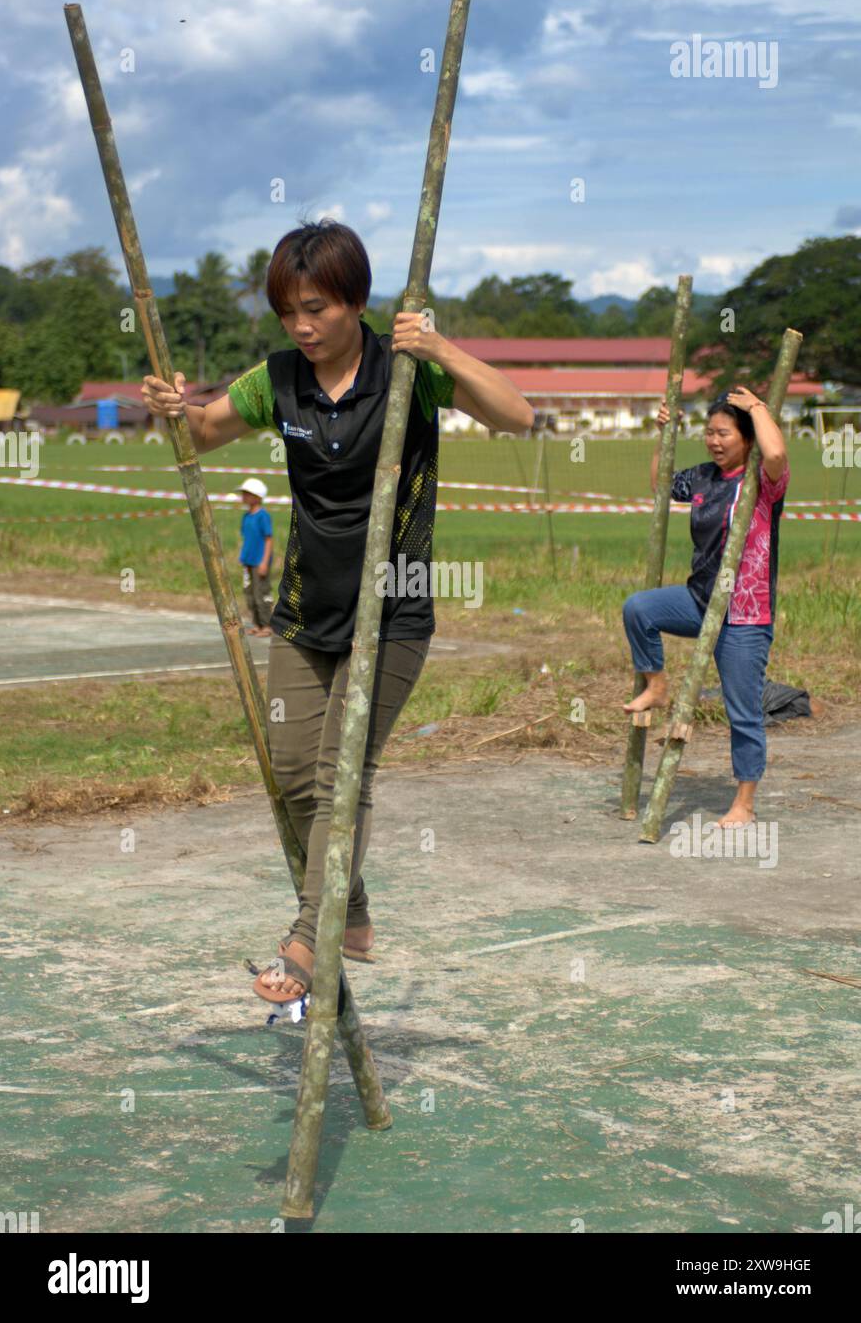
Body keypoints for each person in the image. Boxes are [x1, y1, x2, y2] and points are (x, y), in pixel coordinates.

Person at [142, 218, 534, 1004]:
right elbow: (204, 431)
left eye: (316, 308)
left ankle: (310, 937)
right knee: (289, 774)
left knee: (339, 775)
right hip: (301, 609)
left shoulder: (405, 372)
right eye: (288, 311)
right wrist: (170, 406)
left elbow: (516, 417)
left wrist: (441, 348)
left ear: (355, 300)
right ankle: (351, 914)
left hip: (390, 615)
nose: (302, 326)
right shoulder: (277, 377)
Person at [621, 387, 789, 828]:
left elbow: (776, 452)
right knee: (639, 608)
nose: (714, 441)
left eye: (724, 434)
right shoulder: (702, 477)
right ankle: (656, 685)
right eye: (709, 433)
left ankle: (744, 803)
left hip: (744, 612)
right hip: (699, 599)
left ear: (746, 438)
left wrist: (756, 408)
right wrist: (665, 434)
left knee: (743, 710)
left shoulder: (762, 481)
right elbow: (661, 485)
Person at [237, 477, 274, 636]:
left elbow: (268, 539)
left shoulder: (263, 516)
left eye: (246, 494)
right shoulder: (246, 516)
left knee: (261, 594)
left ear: (257, 496)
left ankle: (267, 625)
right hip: (248, 561)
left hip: (260, 562)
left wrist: (264, 562)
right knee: (250, 594)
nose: (243, 497)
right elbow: (246, 538)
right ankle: (257, 624)